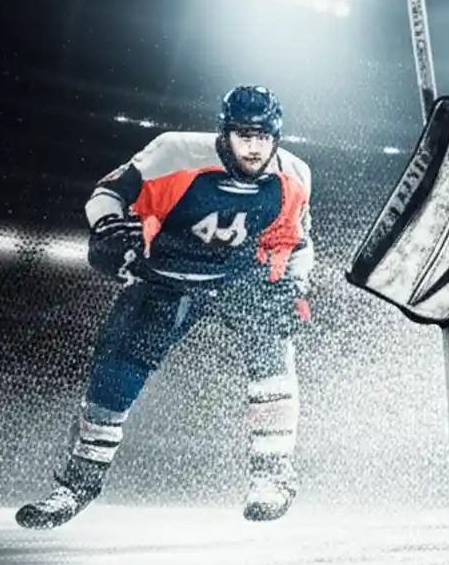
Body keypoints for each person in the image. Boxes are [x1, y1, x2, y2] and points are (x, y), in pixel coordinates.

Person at [16, 85, 314, 529]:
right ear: (224, 132)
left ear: (277, 136)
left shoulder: (294, 174)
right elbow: (106, 194)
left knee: (274, 347)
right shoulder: (174, 153)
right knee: (116, 372)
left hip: (240, 279)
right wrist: (110, 228)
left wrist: (295, 286)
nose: (255, 147)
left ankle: (273, 475)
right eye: (244, 135)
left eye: (264, 136)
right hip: (167, 279)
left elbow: (297, 241)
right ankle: (77, 484)